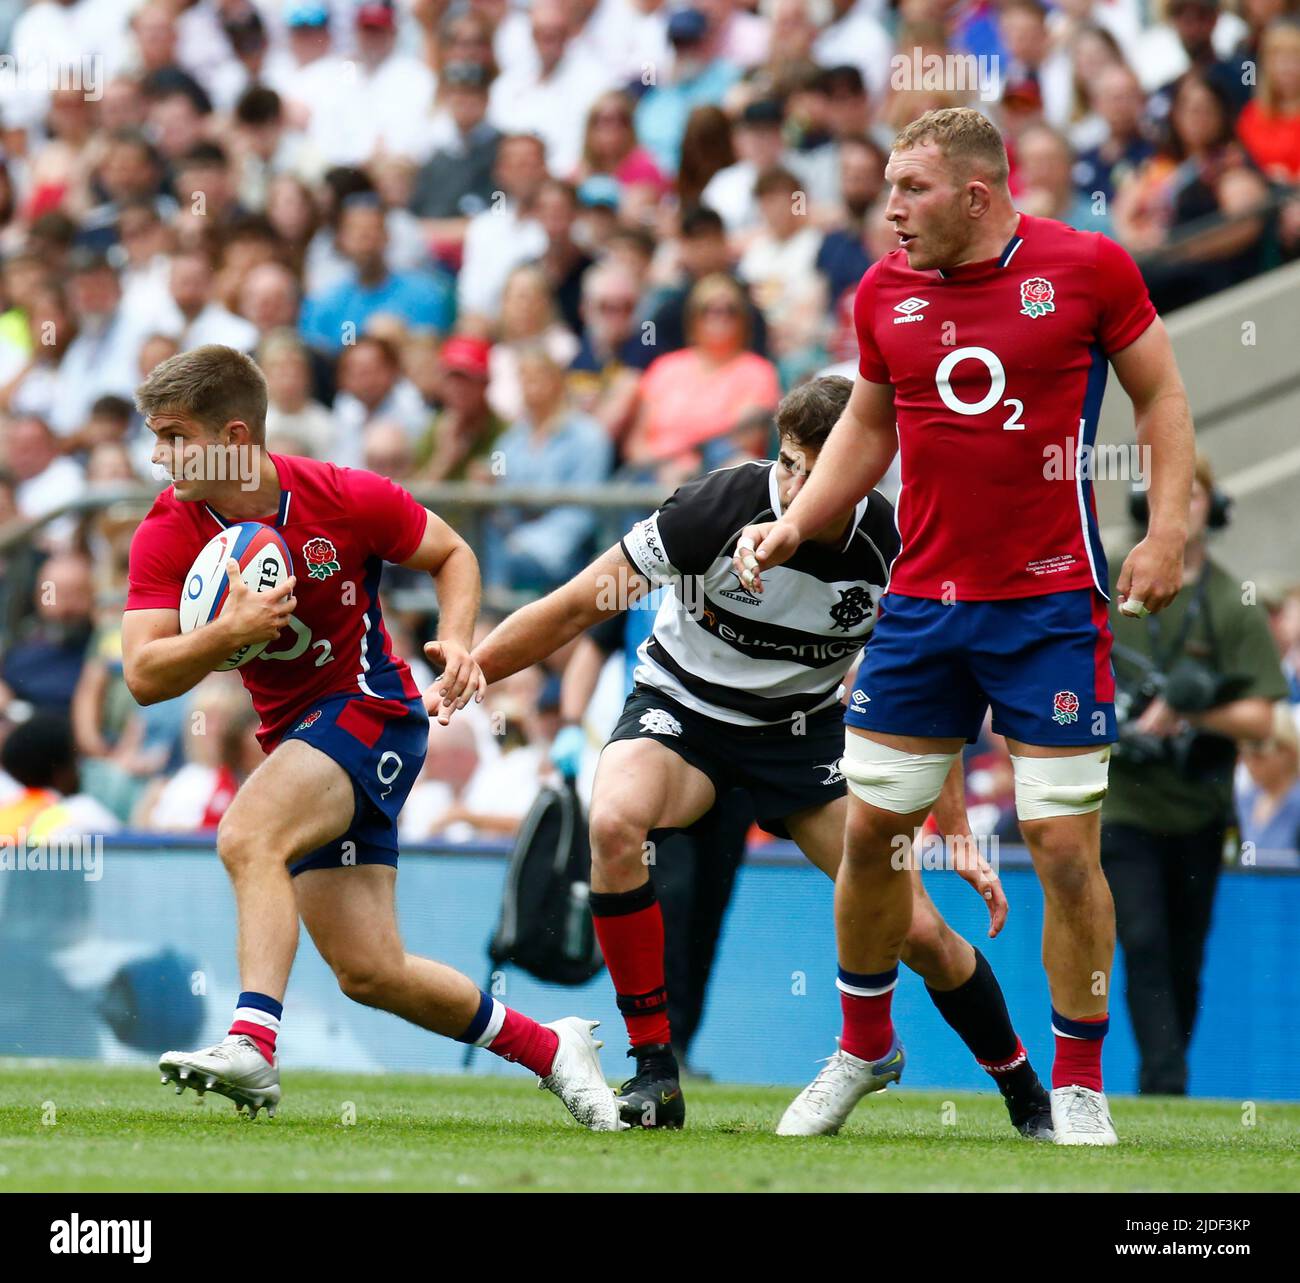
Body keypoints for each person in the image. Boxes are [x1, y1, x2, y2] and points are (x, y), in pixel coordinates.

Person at [734, 107, 1196, 1145]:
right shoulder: (881, 290)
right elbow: (865, 422)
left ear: (978, 195)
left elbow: (1161, 395)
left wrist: (1165, 531)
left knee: (1065, 852)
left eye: (912, 189)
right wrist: (795, 522)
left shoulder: (1087, 269)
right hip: (921, 609)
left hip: (1048, 608)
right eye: (887, 187)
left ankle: (1076, 1083)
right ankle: (863, 1044)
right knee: (872, 839)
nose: (889, 210)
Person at [473, 375, 1054, 1137]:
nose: (793, 485)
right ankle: (655, 1072)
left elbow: (928, 705)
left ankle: (1026, 1092)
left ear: (866, 467)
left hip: (802, 735)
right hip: (680, 710)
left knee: (916, 929)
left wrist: (951, 832)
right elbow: (580, 602)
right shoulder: (711, 509)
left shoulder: (899, 551)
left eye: (817, 471)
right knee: (615, 823)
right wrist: (476, 667)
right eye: (787, 462)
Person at [120, 343, 621, 1130]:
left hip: (371, 712)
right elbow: (144, 674)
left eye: (177, 435)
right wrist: (232, 631)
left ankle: (252, 1041)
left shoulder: (340, 495)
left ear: (236, 435)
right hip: (297, 738)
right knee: (371, 970)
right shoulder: (165, 530)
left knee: (248, 836)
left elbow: (452, 552)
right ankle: (554, 1050)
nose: (160, 454)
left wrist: (458, 640)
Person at [1103, 454, 1288, 1094]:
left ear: (1217, 508)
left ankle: (1166, 1074)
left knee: (1185, 952)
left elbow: (1263, 714)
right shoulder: (1108, 579)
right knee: (1144, 937)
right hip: (1121, 800)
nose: (1181, 505)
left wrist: (1188, 707)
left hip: (1200, 804)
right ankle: (1164, 1079)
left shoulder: (1233, 603)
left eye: (1194, 495)